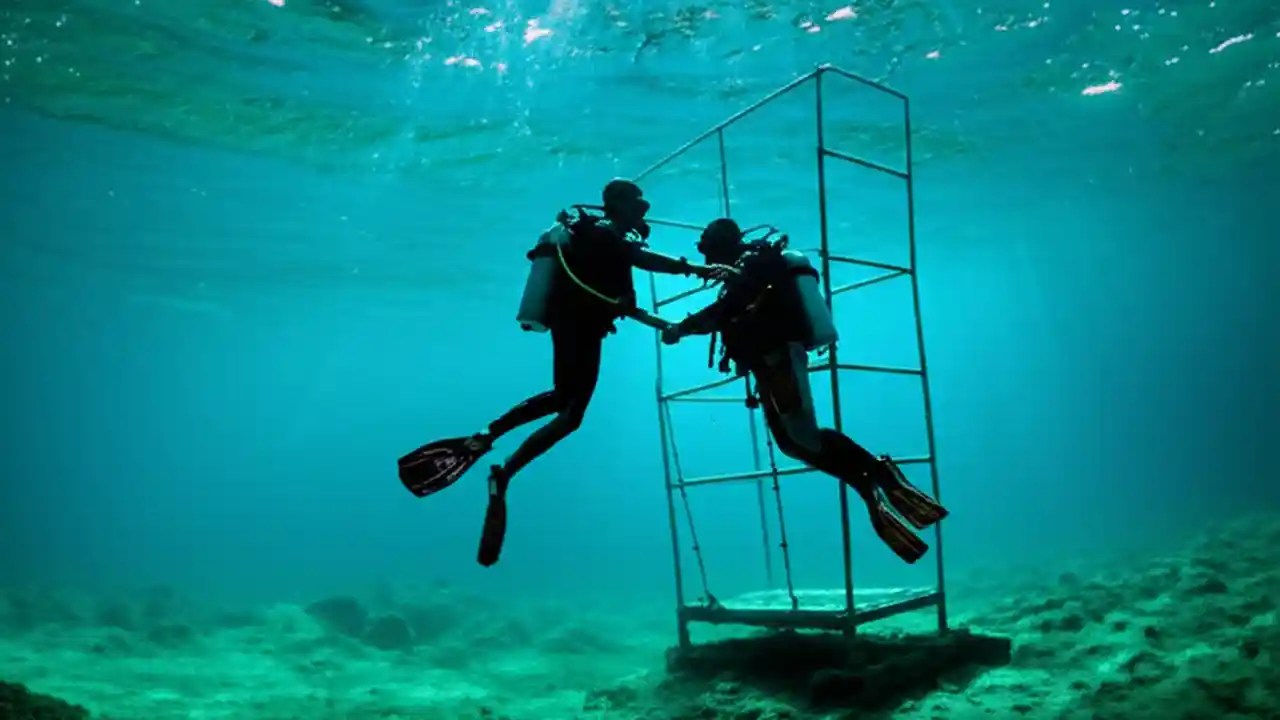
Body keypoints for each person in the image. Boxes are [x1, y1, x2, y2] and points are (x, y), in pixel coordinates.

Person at [398, 180, 734, 567]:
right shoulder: (604, 233)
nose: (644, 208)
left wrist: (657, 307)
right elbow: (644, 260)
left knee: (569, 411)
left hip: (582, 324)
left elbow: (626, 271)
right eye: (637, 202)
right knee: (567, 402)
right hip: (578, 325)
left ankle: (501, 466)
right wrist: (698, 269)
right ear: (617, 204)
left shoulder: (607, 236)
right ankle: (491, 446)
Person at [660, 218, 948, 564]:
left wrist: (683, 328)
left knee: (803, 435)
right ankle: (864, 481)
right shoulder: (748, 268)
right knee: (791, 443)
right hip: (767, 364)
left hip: (779, 358)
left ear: (722, 243)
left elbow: (726, 310)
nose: (702, 252)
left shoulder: (752, 265)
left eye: (706, 244)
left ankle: (878, 473)